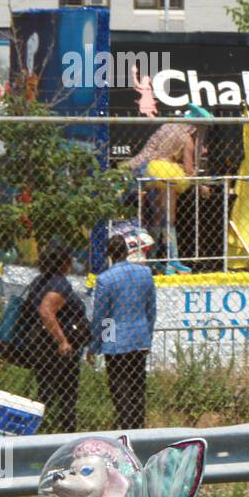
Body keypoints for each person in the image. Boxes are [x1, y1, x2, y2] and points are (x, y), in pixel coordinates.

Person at [124, 106, 211, 274]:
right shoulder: (187, 139)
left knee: (157, 220)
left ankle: (153, 260)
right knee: (169, 221)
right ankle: (173, 261)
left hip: (150, 171)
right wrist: (201, 186)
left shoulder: (166, 129)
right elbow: (188, 168)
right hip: (167, 174)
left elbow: (149, 153)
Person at [88, 235, 157, 430]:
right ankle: (138, 428)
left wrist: (96, 345)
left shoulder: (105, 279)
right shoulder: (145, 273)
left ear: (109, 254)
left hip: (116, 344)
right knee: (137, 387)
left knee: (120, 389)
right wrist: (147, 336)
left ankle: (126, 427)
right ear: (127, 252)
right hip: (139, 339)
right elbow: (150, 309)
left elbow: (103, 316)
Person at [25, 245, 88, 433]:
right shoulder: (59, 284)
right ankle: (67, 436)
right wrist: (62, 341)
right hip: (59, 350)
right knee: (67, 395)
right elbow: (46, 311)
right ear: (63, 264)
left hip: (40, 346)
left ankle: (38, 432)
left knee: (45, 392)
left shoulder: (39, 281)